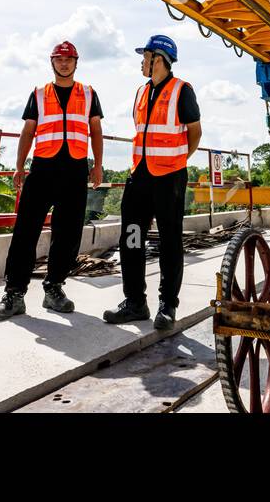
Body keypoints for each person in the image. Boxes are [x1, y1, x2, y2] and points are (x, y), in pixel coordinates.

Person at [0, 41, 104, 321]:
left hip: (75, 169)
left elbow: (96, 130)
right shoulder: (39, 94)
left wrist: (98, 165)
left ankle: (54, 288)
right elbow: (28, 131)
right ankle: (14, 294)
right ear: (52, 62)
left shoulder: (89, 94)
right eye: (59, 59)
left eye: (69, 59)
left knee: (68, 233)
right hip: (42, 169)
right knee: (26, 231)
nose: (64, 63)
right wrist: (19, 166)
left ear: (76, 62)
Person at [103, 34, 202, 331]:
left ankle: (167, 304)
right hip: (140, 177)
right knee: (132, 237)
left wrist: (178, 161)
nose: (141, 62)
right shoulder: (140, 92)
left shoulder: (182, 91)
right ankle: (135, 302)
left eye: (144, 57)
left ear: (158, 58)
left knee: (170, 241)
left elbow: (195, 132)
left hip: (170, 178)